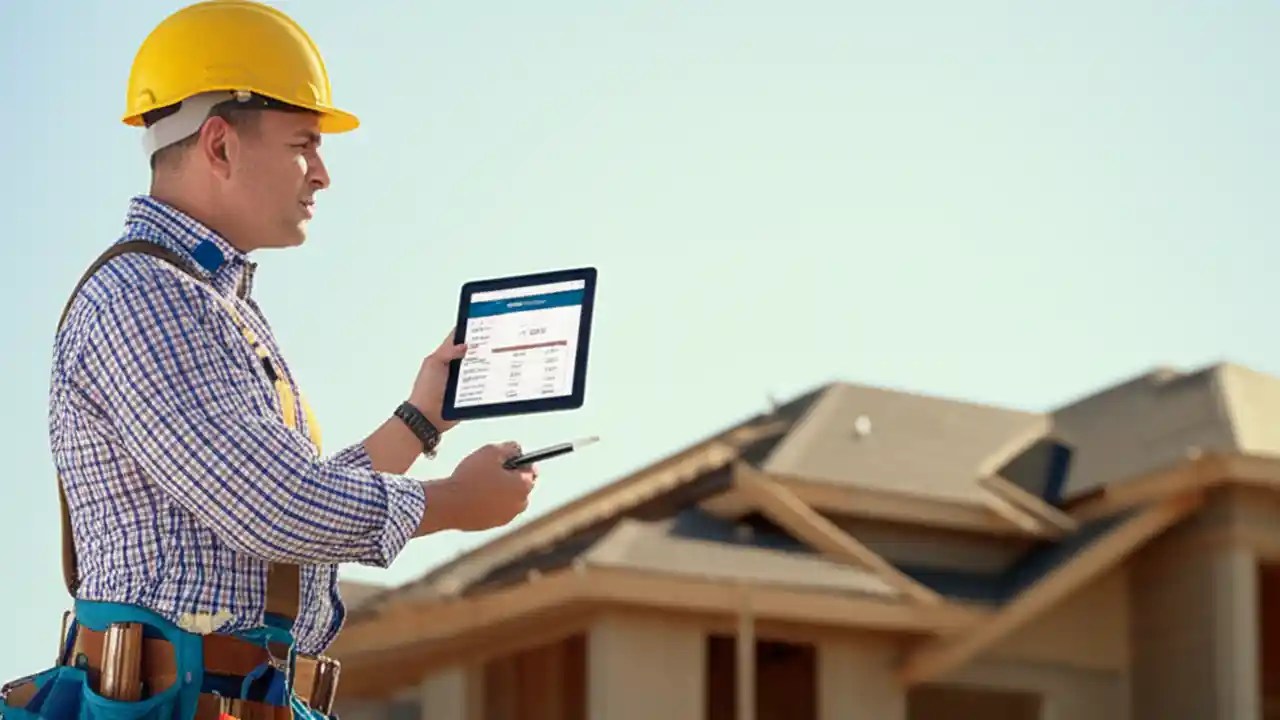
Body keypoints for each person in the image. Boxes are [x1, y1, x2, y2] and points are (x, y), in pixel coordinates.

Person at [0, 2, 537, 719]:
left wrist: (420, 419)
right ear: (220, 146)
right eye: (303, 144)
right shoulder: (148, 297)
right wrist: (454, 504)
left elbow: (281, 507)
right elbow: (273, 508)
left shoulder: (206, 303)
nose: (321, 174)